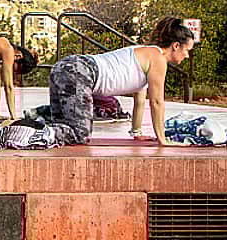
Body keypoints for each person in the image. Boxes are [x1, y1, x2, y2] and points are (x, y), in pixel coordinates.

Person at [46, 16, 195, 146]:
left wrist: (136, 132)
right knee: (80, 134)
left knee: (61, 125)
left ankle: (35, 125)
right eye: (187, 50)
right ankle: (36, 131)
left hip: (65, 66)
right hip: (81, 72)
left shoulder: (147, 52)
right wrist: (162, 139)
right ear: (176, 46)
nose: (187, 56)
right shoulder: (158, 58)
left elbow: (140, 101)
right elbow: (156, 102)